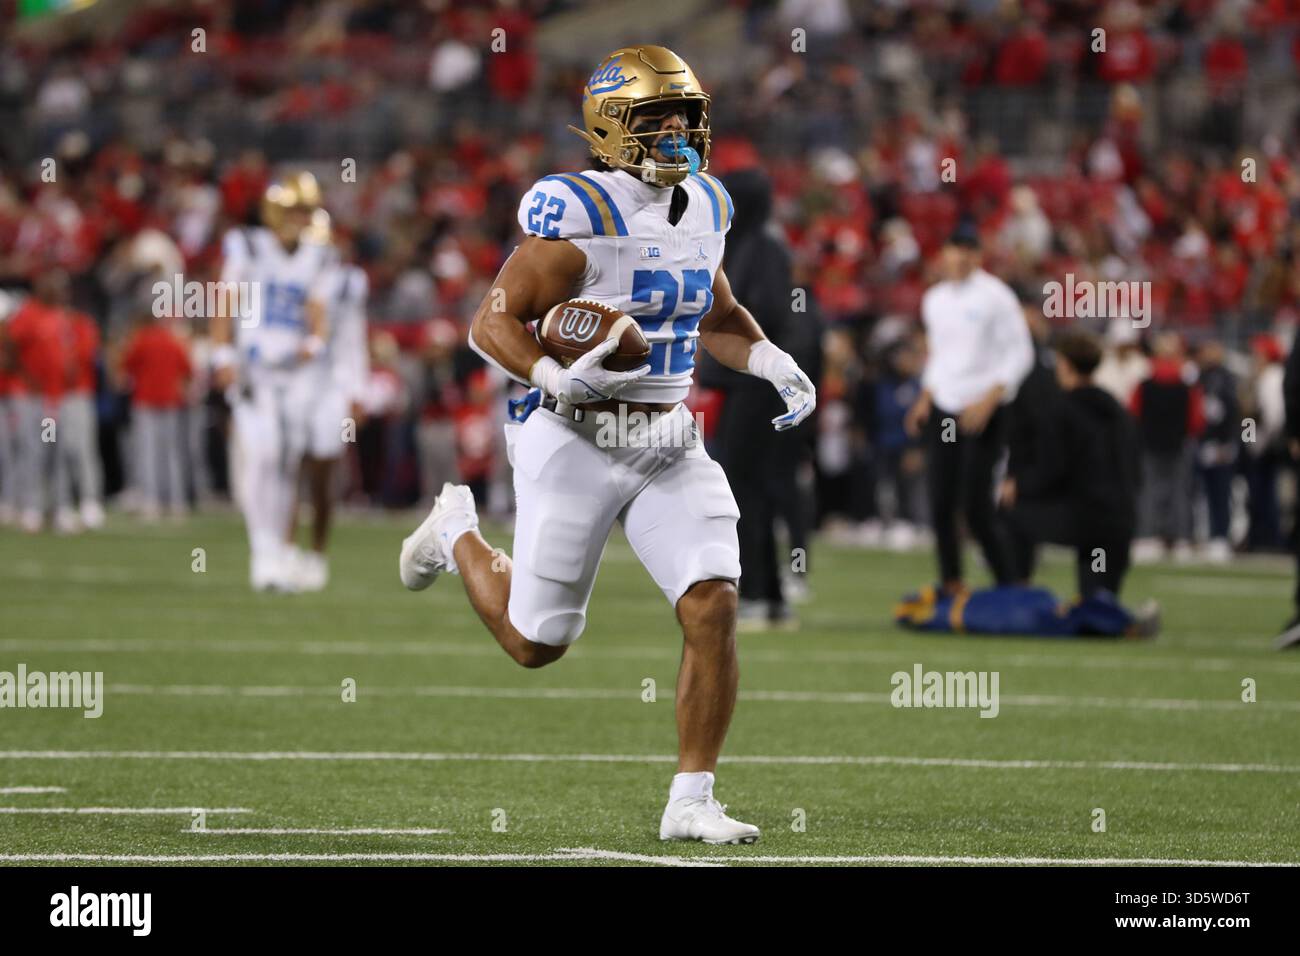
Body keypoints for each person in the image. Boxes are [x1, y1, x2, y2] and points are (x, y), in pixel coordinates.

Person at [398, 46, 816, 844]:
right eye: (655, 120)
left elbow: (716, 315)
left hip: (665, 436)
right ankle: (455, 527)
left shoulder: (707, 207)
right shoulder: (579, 210)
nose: (676, 135)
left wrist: (770, 359)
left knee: (713, 599)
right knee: (535, 643)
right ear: (609, 127)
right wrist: (553, 378)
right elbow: (491, 322)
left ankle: (691, 800)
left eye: (686, 118)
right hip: (573, 437)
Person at [211, 172, 337, 591]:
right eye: (294, 210)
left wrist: (317, 340)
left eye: (305, 211)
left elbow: (317, 308)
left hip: (296, 372)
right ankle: (262, 549)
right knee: (263, 455)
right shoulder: (247, 245)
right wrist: (222, 352)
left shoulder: (317, 255)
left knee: (287, 461)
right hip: (254, 367)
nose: (300, 219)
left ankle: (278, 551)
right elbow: (226, 299)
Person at [904, 221, 1034, 595]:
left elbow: (1020, 354)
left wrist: (990, 399)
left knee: (977, 506)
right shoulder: (935, 300)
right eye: (954, 248)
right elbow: (941, 355)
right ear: (944, 253)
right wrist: (925, 397)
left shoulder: (998, 297)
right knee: (941, 502)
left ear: (979, 255)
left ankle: (1011, 585)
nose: (960, 257)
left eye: (968, 249)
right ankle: (952, 582)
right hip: (945, 406)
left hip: (984, 410)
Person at [702, 166, 803, 630]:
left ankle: (760, 591)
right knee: (749, 489)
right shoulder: (750, 247)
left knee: (744, 491)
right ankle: (769, 594)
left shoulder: (761, 250)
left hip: (754, 389)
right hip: (744, 387)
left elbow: (762, 315)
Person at [1000, 329, 1142, 600]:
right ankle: (1104, 605)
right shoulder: (1118, 410)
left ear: (1064, 365)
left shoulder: (1061, 410)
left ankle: (1017, 592)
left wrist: (1018, 486)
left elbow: (1051, 471)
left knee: (1011, 516)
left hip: (1085, 521)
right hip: (1120, 523)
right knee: (1097, 600)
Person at [286, 233, 369, 591]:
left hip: (331, 384)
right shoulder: (285, 275)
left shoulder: (349, 282)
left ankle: (318, 553)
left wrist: (357, 389)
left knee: (323, 471)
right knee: (286, 469)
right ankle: (285, 551)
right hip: (291, 381)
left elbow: (353, 335)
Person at [1130, 332, 1203, 561]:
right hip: (1178, 444)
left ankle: (1147, 537)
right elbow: (1196, 420)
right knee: (1180, 492)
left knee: (1148, 492)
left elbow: (1133, 414)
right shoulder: (1186, 385)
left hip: (1150, 444)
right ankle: (1180, 539)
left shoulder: (1144, 384)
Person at [119, 310, 192, 519]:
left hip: (145, 401)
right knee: (171, 454)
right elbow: (187, 371)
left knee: (148, 454)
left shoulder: (142, 340)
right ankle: (177, 502)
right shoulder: (173, 341)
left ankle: (152, 502)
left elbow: (126, 368)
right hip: (170, 401)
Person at [1194, 338, 1238, 563]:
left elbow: (1235, 413)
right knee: (1204, 492)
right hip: (1203, 442)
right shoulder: (1200, 377)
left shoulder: (1228, 378)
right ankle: (1208, 535)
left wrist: (1228, 443)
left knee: (1221, 492)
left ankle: (1221, 536)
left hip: (1220, 444)